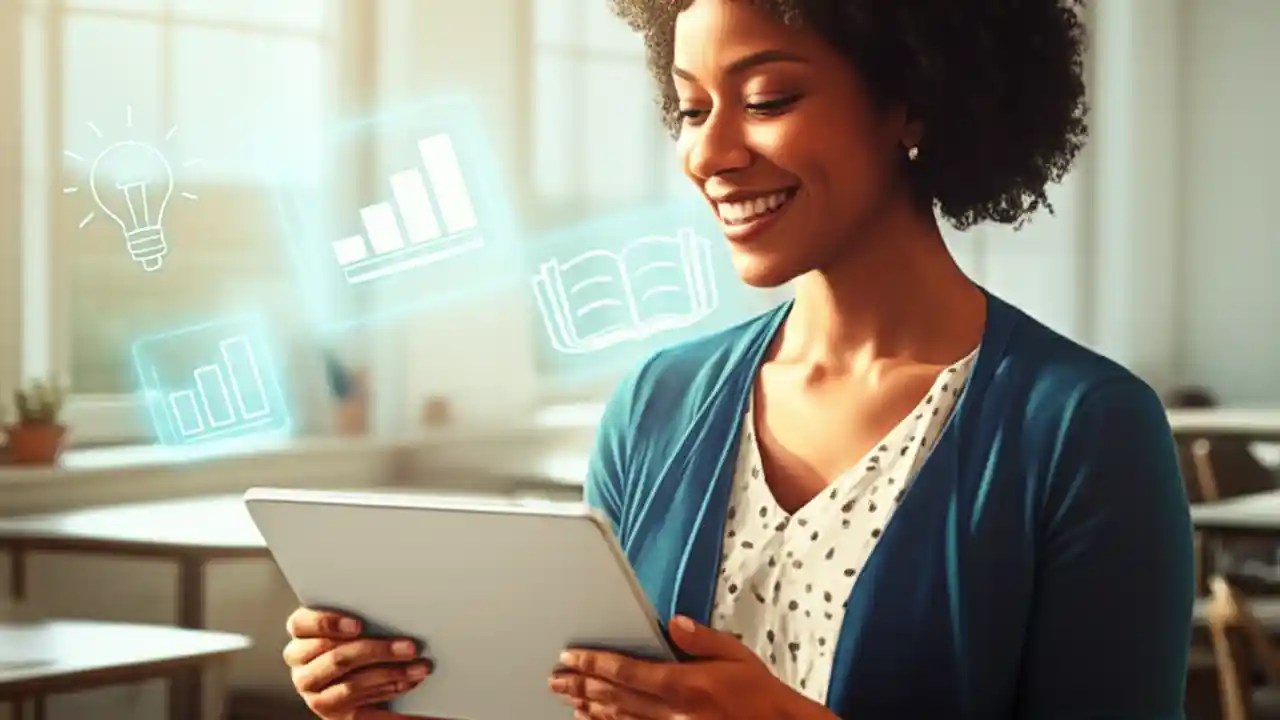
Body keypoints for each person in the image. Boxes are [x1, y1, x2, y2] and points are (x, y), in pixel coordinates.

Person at [282, 0, 1195, 717]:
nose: (707, 154)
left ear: (914, 97)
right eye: (691, 109)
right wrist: (406, 696)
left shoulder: (1085, 431)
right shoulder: (657, 404)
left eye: (767, 100)